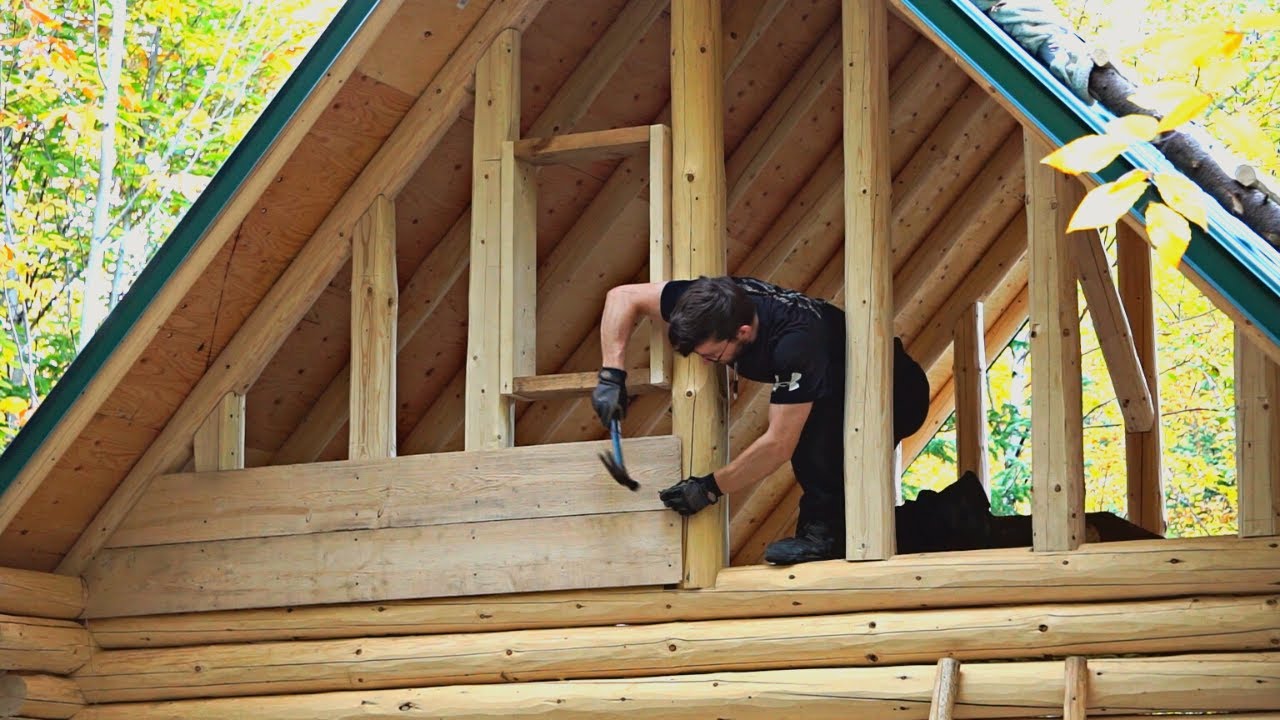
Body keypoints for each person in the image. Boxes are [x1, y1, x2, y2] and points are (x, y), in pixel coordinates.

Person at [592, 275, 930, 564]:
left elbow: (778, 445)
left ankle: (825, 538)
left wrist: (709, 488)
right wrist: (611, 376)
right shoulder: (709, 301)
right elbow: (622, 297)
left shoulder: (795, 345)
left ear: (742, 332)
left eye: (712, 355)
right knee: (813, 422)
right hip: (836, 375)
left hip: (895, 391)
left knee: (814, 447)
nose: (706, 363)